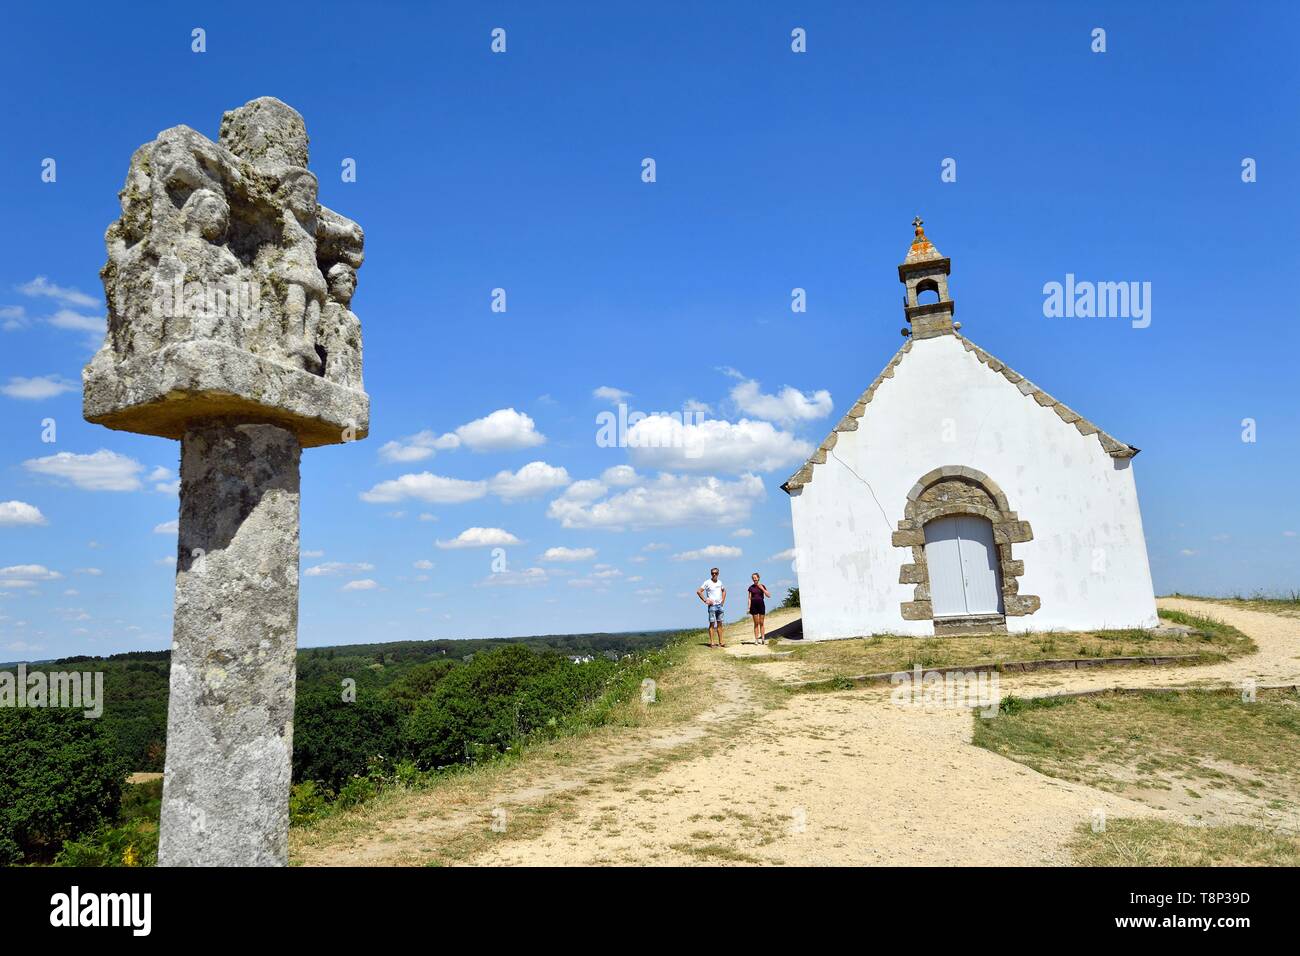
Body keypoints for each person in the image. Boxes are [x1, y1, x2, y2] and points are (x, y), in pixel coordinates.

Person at [696, 567, 727, 648]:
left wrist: (723, 601)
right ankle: (712, 643)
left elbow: (724, 591)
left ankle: (721, 642)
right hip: (712, 606)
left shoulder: (720, 582)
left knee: (720, 624)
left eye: (716, 573)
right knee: (712, 624)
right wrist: (705, 600)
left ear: (718, 574)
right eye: (712, 573)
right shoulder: (707, 582)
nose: (714, 574)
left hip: (720, 606)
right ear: (711, 574)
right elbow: (699, 591)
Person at [748, 572, 771, 644]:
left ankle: (763, 638)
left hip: (761, 605)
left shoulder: (762, 586)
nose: (754, 579)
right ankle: (756, 639)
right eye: (753, 578)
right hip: (753, 606)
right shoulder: (750, 587)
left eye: (755, 577)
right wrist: (748, 608)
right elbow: (749, 598)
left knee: (761, 622)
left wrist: (762, 589)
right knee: (756, 623)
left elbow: (768, 595)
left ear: (758, 578)